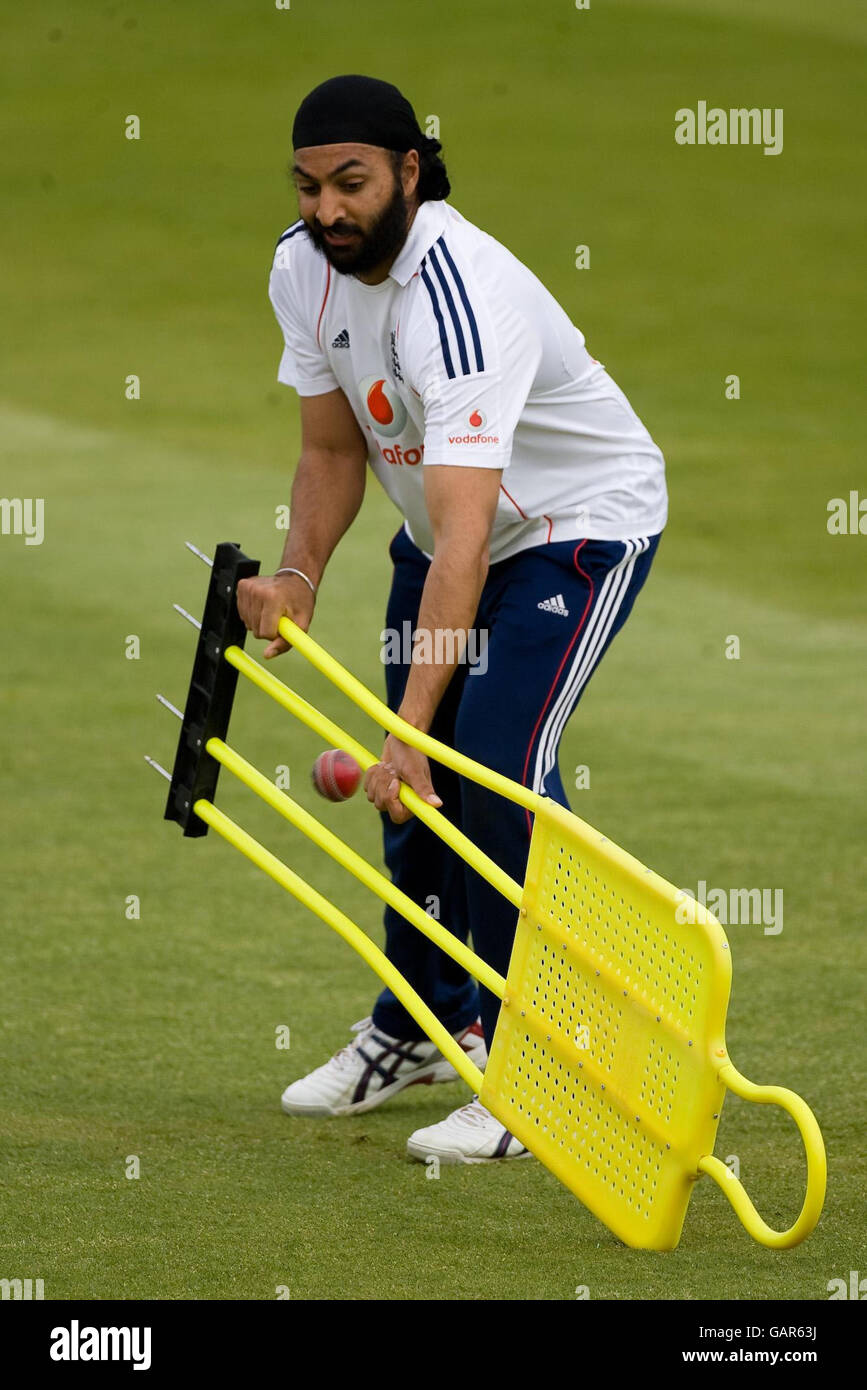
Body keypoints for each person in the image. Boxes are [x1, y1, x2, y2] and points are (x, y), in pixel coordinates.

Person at [237, 74, 667, 1165]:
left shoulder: (459, 297)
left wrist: (409, 731)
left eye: (352, 183)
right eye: (308, 185)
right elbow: (336, 451)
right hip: (446, 538)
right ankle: (422, 1027)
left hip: (576, 527)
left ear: (411, 173)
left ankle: (542, 1069)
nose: (327, 209)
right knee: (413, 801)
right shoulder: (302, 268)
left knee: (483, 763)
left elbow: (470, 538)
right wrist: (297, 576)